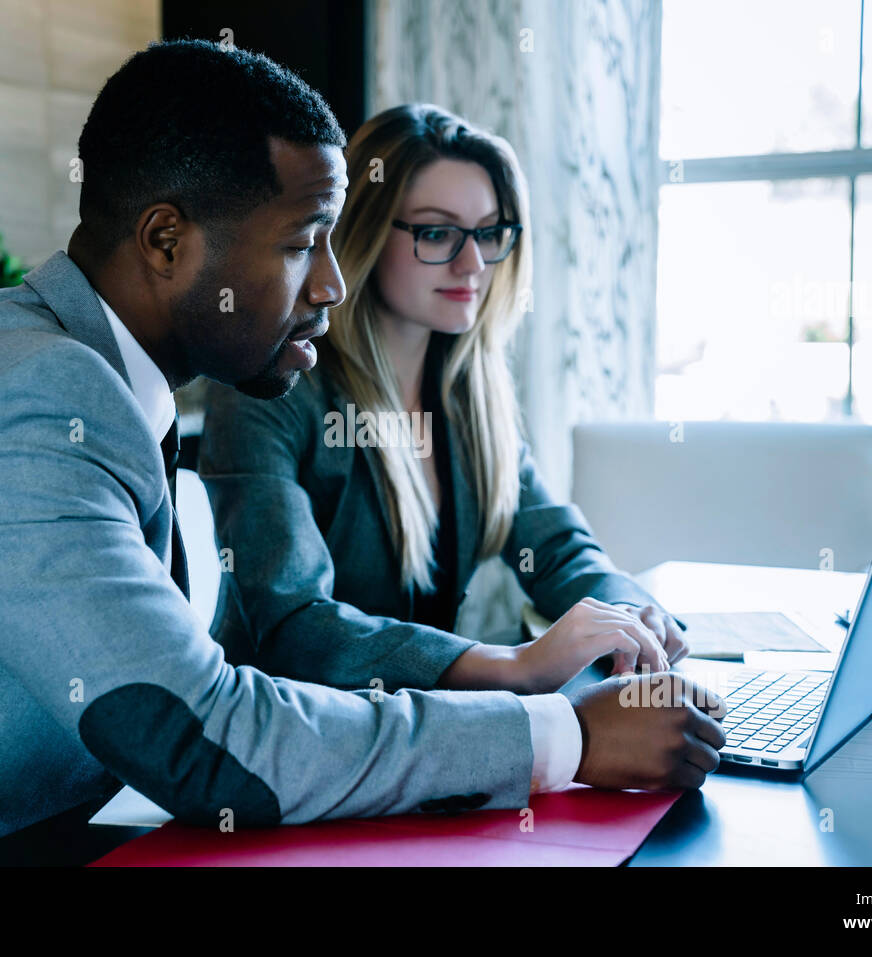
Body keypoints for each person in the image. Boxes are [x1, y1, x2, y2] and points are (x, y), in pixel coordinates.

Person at [0, 45, 724, 867]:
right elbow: (202, 738)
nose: (333, 285)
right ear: (167, 241)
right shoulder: (26, 396)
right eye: (305, 242)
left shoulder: (92, 377)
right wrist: (567, 736)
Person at [201, 103, 689, 697]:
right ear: (366, 234)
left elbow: (558, 549)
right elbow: (293, 622)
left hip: (428, 736)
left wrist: (629, 611)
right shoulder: (271, 387)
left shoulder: (468, 393)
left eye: (488, 233)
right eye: (436, 232)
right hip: (291, 736)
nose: (473, 263)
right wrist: (512, 664)